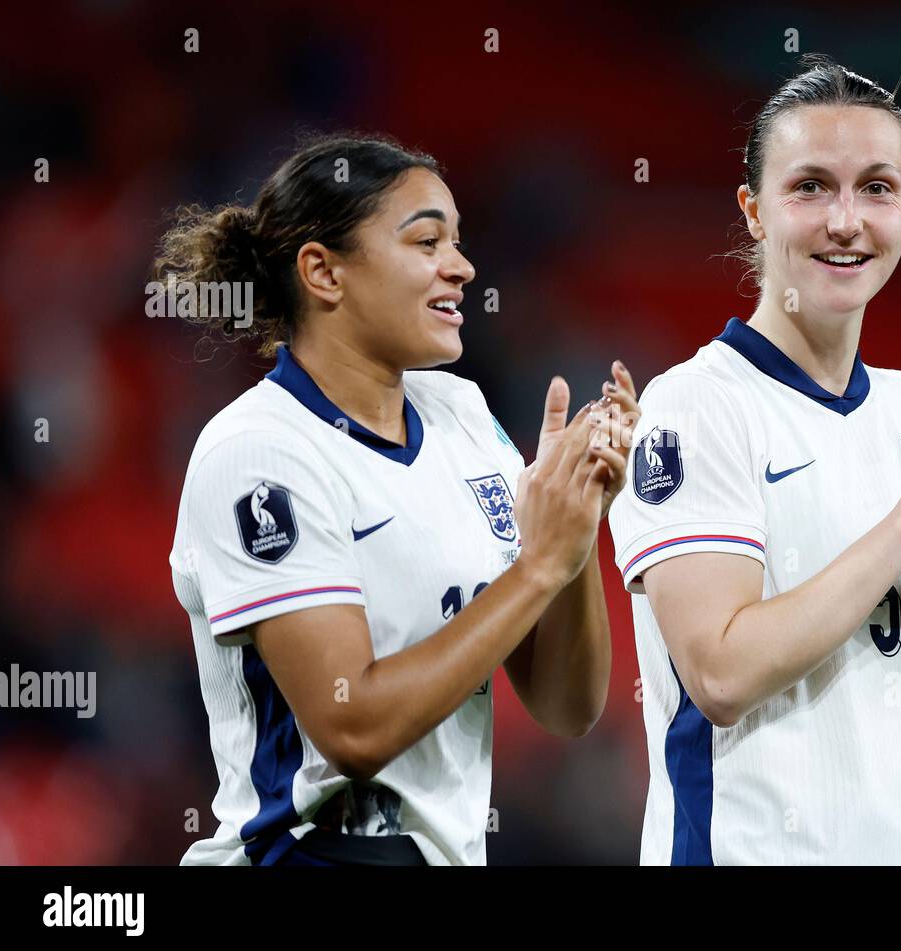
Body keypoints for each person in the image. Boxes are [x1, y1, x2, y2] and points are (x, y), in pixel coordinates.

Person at [607, 56, 901, 865]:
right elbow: (723, 675)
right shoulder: (694, 407)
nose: (847, 221)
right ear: (754, 212)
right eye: (810, 187)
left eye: (877, 188)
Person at [159, 133, 637, 865]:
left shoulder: (464, 416)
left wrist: (573, 530)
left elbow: (567, 707)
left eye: (459, 241)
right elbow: (353, 730)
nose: (463, 267)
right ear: (323, 271)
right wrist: (538, 567)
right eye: (427, 242)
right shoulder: (260, 452)